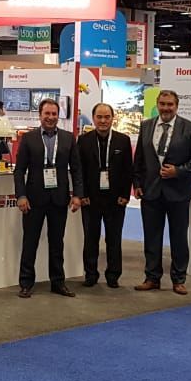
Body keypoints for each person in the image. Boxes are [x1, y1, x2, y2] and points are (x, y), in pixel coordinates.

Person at [133, 90, 191, 295]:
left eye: (170, 104)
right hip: (151, 192)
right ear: (157, 104)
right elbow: (139, 158)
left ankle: (178, 279)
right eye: (162, 104)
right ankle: (152, 278)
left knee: (179, 239)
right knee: (151, 238)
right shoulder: (146, 126)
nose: (166, 108)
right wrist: (137, 183)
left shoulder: (189, 128)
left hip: (179, 193)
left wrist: (178, 171)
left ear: (176, 106)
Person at [13, 98, 84, 299]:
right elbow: (19, 171)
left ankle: (58, 283)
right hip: (33, 199)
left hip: (59, 199)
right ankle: (26, 283)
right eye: (47, 114)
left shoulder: (69, 138)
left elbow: (76, 169)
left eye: (54, 114)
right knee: (30, 243)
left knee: (57, 243)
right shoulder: (28, 138)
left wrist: (77, 195)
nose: (51, 117)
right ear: (40, 115)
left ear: (58, 116)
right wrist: (21, 195)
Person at [77, 103, 134, 288]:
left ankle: (113, 275)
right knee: (90, 239)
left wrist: (125, 194)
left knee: (114, 239)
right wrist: (82, 194)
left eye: (107, 117)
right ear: (93, 118)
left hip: (115, 199)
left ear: (112, 118)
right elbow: (79, 170)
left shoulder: (123, 140)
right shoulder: (83, 141)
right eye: (99, 117)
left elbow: (128, 170)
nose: (103, 121)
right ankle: (90, 274)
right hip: (90, 199)